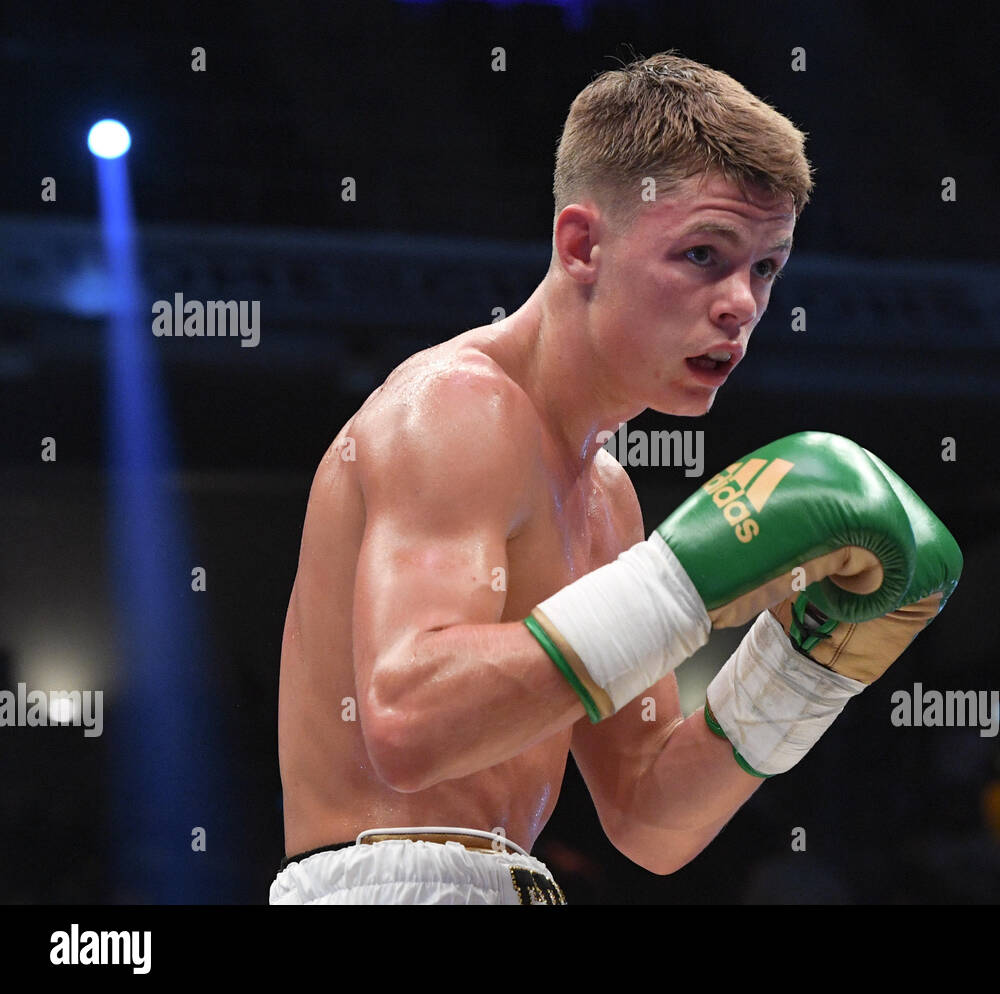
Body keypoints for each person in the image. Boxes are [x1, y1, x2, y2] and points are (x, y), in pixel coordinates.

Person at [270, 51, 961, 905]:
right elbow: (409, 721)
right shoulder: (457, 408)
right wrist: (685, 586)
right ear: (583, 243)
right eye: (704, 253)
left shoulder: (606, 500)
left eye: (766, 267)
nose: (741, 301)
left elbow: (650, 816)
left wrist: (806, 664)